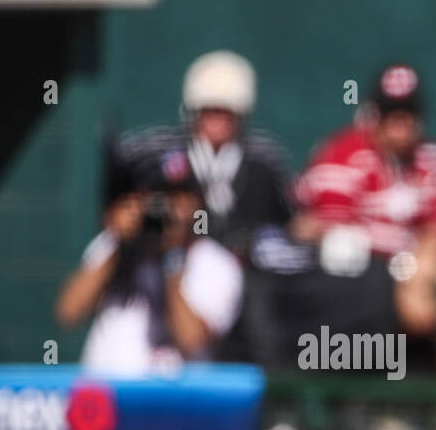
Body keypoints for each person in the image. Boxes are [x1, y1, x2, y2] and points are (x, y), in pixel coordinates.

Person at [55, 144, 243, 430]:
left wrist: (171, 258)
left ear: (198, 204)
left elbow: (192, 337)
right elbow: (68, 311)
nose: (170, 208)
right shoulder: (116, 249)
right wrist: (117, 240)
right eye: (161, 197)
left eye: (180, 197)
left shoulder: (215, 264)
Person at [291, 63, 436, 379]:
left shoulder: (427, 156)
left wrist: (415, 283)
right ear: (374, 115)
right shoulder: (342, 153)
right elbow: (333, 240)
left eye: (408, 114)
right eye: (391, 114)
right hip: (356, 280)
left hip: (413, 274)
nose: (400, 124)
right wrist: (398, 283)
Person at [111, 50, 299, 368]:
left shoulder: (263, 164)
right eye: (209, 110)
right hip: (170, 270)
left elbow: (287, 227)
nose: (217, 119)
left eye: (226, 111)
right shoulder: (157, 154)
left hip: (236, 284)